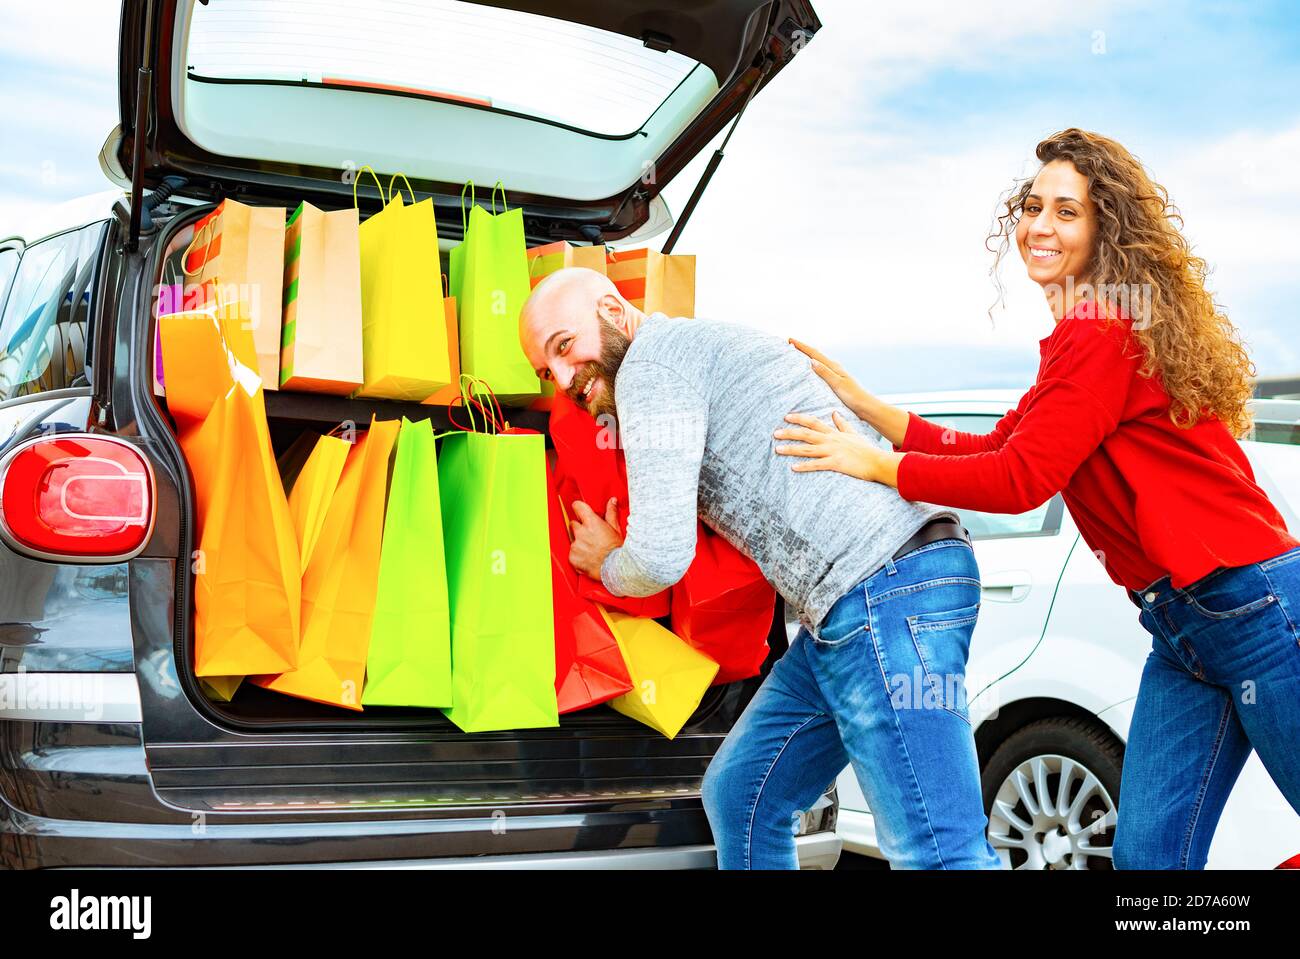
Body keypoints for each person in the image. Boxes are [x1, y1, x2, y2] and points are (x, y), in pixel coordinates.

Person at [772, 127, 1300, 869]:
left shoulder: (1102, 330)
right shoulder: (1080, 339)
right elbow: (997, 447)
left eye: (1066, 211)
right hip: (1186, 632)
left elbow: (1018, 483)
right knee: (1149, 864)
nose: (1039, 226)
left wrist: (877, 466)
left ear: (1104, 228)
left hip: (1256, 611)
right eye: (1031, 206)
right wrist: (876, 412)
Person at [519, 267, 1002, 869]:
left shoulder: (652, 366)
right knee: (743, 793)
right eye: (546, 370)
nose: (563, 378)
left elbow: (662, 556)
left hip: (882, 588)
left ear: (614, 312)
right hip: (850, 605)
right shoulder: (689, 351)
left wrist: (606, 560)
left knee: (937, 851)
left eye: (565, 347)